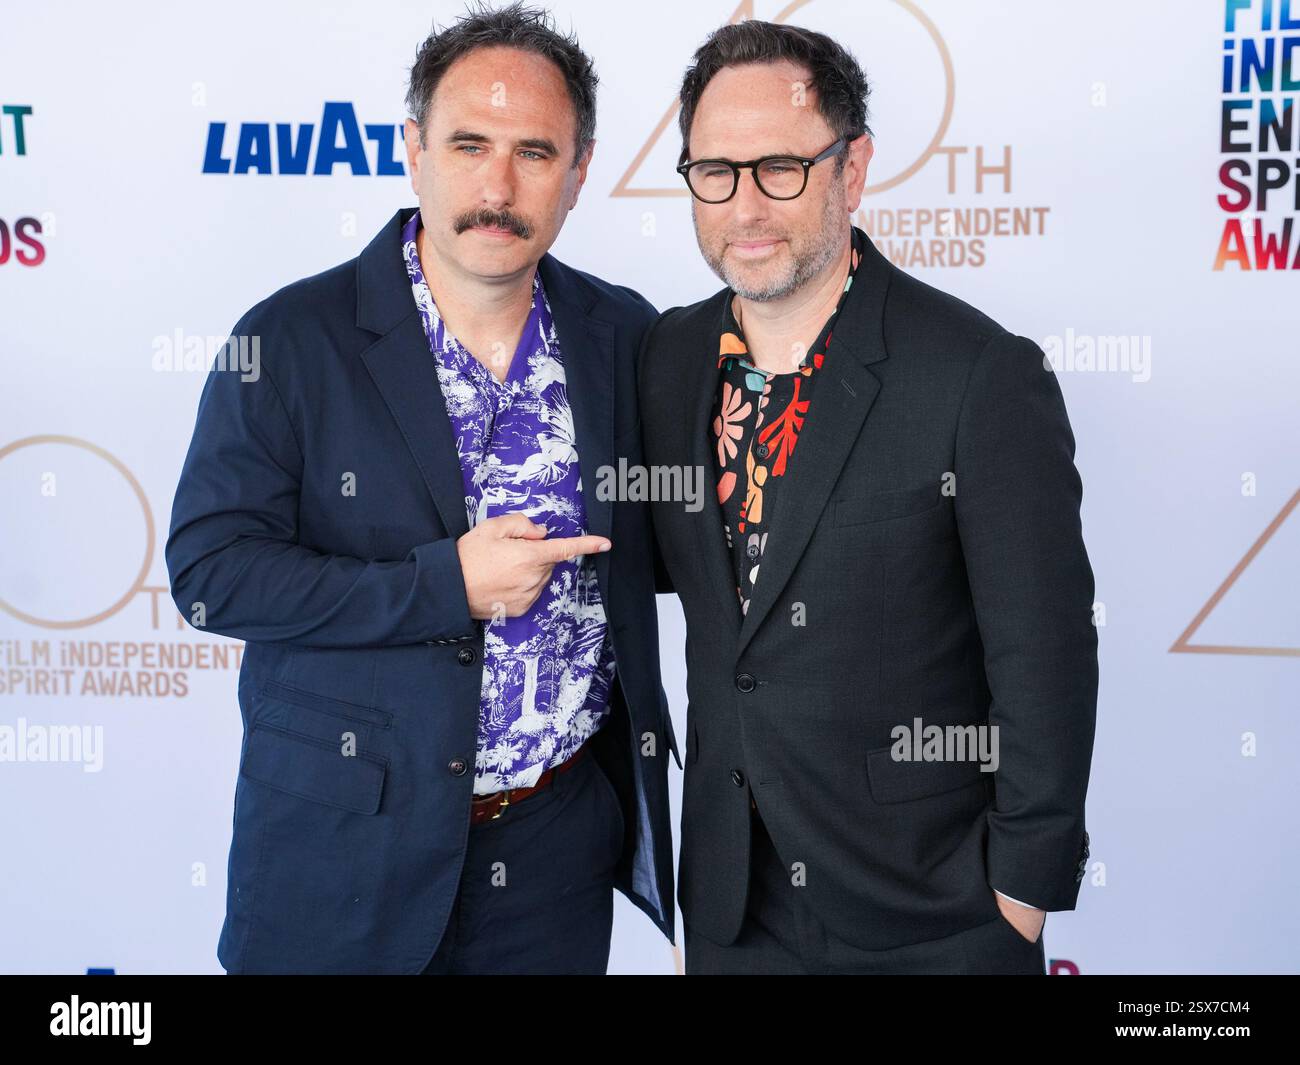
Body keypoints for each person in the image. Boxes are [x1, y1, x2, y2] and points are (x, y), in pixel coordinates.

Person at [166, 2, 677, 974]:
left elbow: (668, 544)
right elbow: (211, 575)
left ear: (579, 171)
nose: (497, 184)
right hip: (344, 847)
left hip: (553, 847)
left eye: (535, 151)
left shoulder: (623, 333)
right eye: (468, 143)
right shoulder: (286, 341)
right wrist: (445, 585)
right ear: (412, 148)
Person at [640, 19, 1097, 974]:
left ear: (852, 171)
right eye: (715, 171)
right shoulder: (666, 361)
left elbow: (1045, 651)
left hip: (932, 912)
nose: (745, 205)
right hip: (730, 908)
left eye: (782, 168)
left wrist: (1020, 889)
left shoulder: (978, 375)